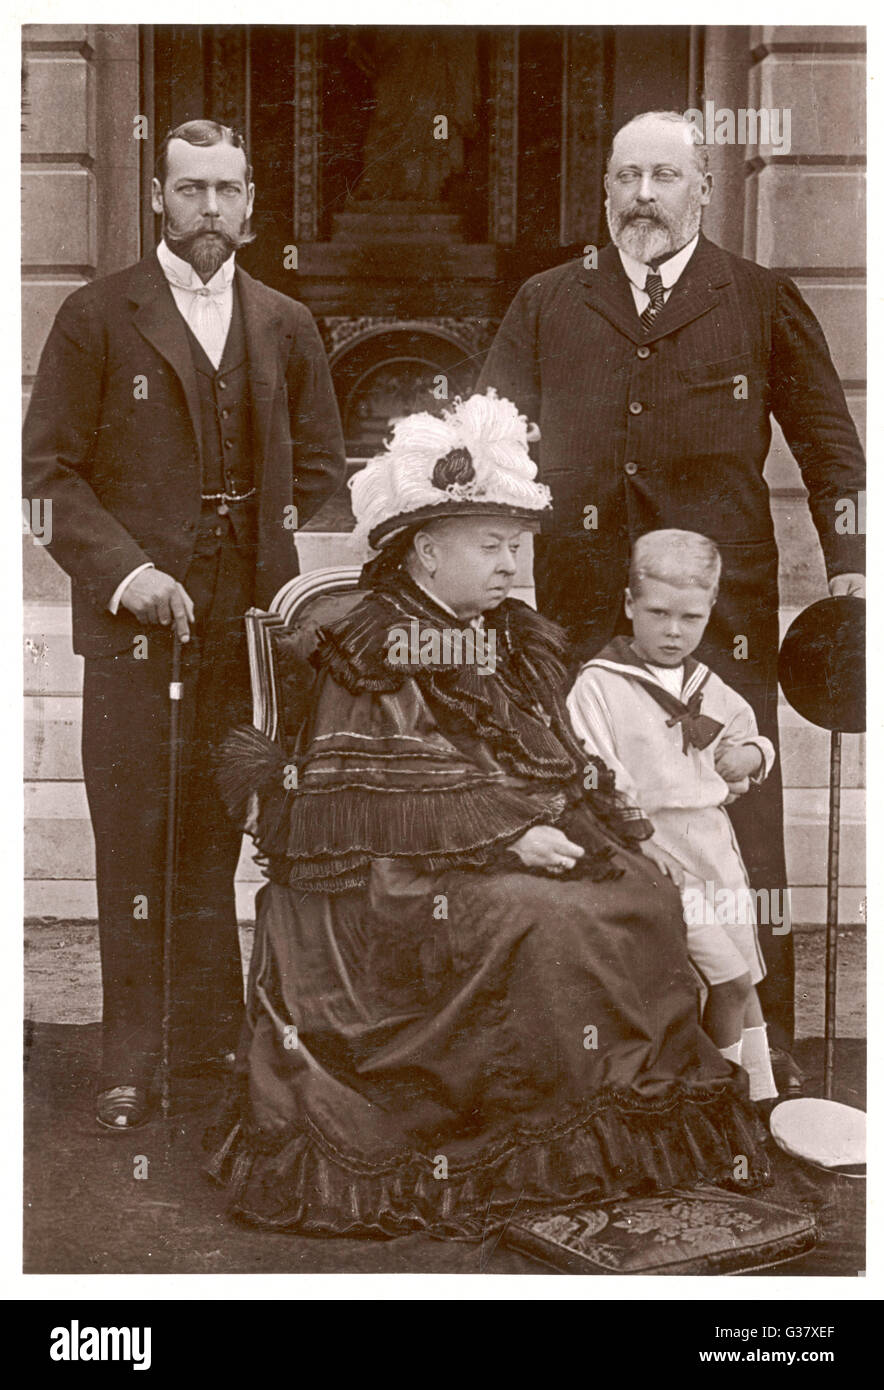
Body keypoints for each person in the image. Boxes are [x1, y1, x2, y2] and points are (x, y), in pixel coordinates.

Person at [206, 391, 768, 1238]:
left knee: (639, 888)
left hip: (488, 844)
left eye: (519, 548)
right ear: (428, 554)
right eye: (494, 547)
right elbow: (375, 783)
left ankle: (611, 1130)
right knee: (545, 919)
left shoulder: (505, 636)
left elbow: (546, 752)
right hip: (389, 878)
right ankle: (525, 1136)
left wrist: (581, 824)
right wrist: (508, 838)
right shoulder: (380, 639)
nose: (513, 566)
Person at [477, 109, 866, 1061]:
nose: (641, 197)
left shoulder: (760, 297)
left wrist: (854, 573)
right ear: (605, 190)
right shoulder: (548, 299)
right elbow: (486, 440)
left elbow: (832, 452)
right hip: (582, 606)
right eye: (625, 178)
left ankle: (751, 1049)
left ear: (704, 188)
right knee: (594, 799)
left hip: (714, 612)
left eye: (662, 177)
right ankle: (611, 1041)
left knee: (731, 803)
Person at [23, 119, 346, 1130]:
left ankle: (212, 1053)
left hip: (250, 629)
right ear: (157, 196)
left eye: (230, 191)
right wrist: (129, 573)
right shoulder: (95, 315)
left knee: (220, 839)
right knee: (136, 839)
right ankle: (129, 1059)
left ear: (252, 203)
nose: (212, 211)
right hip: (136, 633)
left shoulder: (287, 321)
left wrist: (299, 604)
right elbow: (45, 480)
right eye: (193, 190)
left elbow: (325, 481)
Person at [567, 530, 778, 1104]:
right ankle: (717, 1103)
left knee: (746, 981)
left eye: (690, 617)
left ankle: (760, 1099)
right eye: (657, 613)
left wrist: (751, 756)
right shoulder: (598, 686)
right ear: (629, 605)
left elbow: (752, 736)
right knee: (724, 981)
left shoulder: (706, 683)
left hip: (714, 849)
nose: (673, 631)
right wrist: (637, 837)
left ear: (710, 612)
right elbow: (594, 773)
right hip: (654, 849)